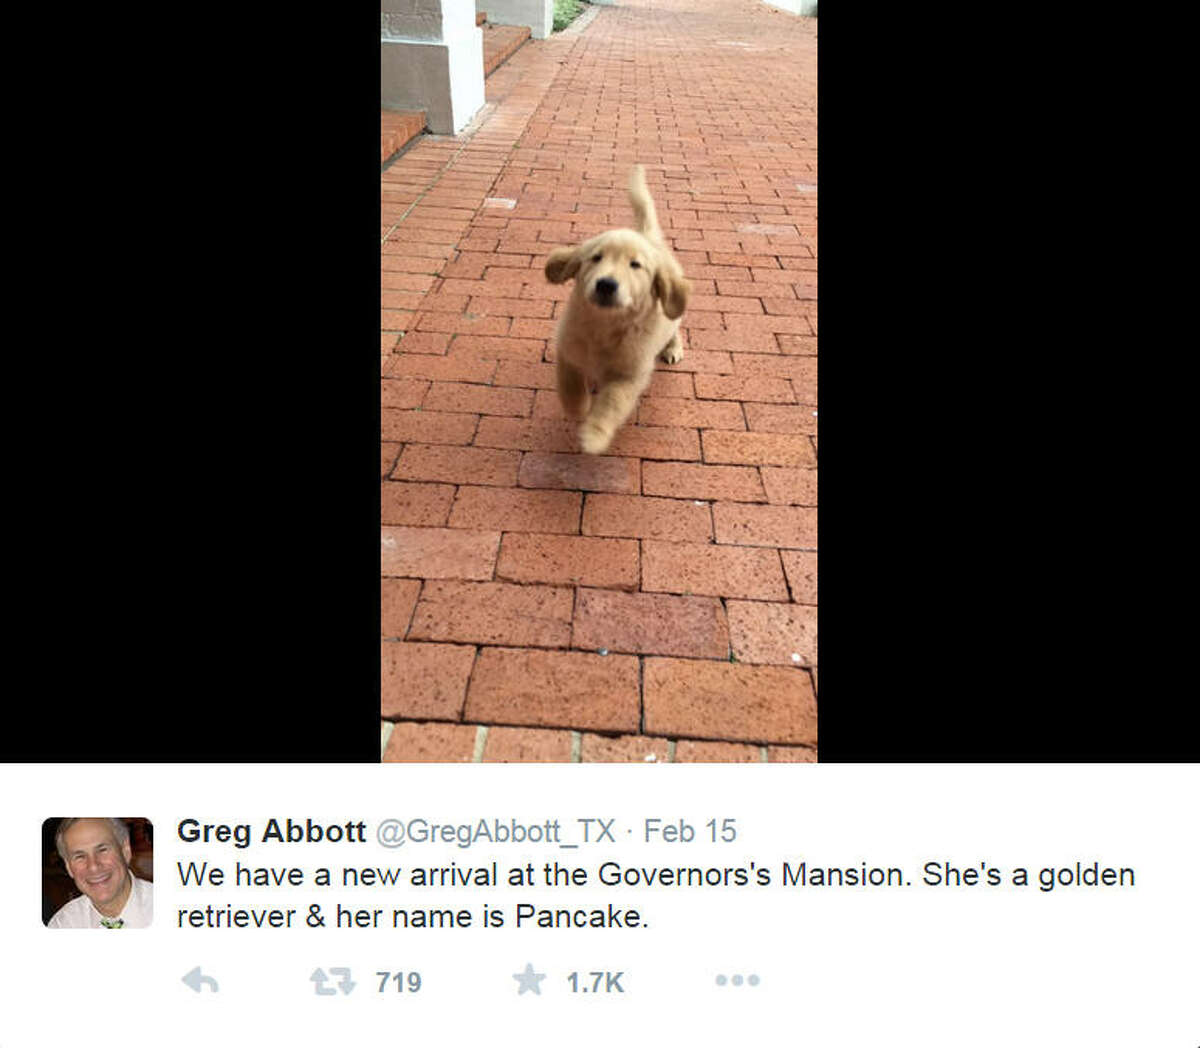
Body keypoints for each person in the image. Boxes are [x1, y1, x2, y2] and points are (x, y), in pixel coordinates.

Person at [47, 818, 153, 928]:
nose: (93, 866)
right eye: (80, 856)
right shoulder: (63, 924)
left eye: (102, 850)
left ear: (125, 851)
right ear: (68, 867)